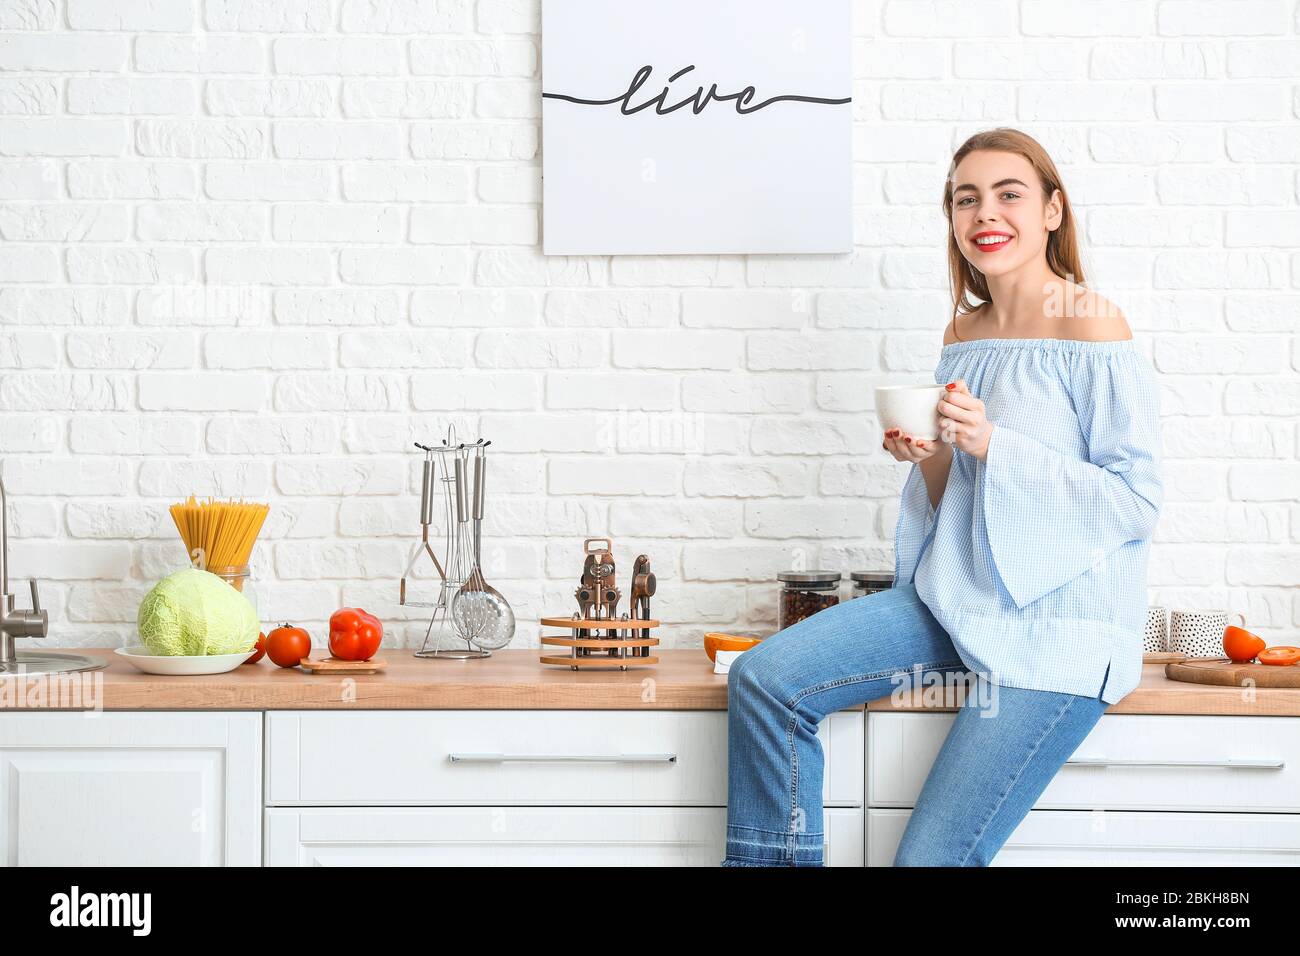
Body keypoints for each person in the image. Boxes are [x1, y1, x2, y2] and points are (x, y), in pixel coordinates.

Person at [721, 128, 1164, 867]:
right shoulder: (964, 331)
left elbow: (1135, 502)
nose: (984, 212)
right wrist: (930, 457)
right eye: (966, 198)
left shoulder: (1091, 320)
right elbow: (960, 491)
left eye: (1008, 193)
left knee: (928, 860)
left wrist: (996, 443)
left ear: (1053, 210)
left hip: (1058, 628)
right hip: (958, 596)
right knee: (766, 681)